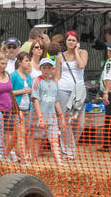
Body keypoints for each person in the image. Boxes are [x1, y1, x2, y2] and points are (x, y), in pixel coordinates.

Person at [56, 30, 88, 159]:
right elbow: (58, 75)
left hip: (78, 90)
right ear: (65, 41)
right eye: (69, 40)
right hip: (63, 89)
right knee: (65, 121)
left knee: (79, 122)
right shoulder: (60, 56)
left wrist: (76, 51)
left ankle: (71, 146)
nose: (71, 42)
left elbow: (81, 65)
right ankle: (68, 151)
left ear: (77, 42)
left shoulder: (82, 52)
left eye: (73, 40)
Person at [31, 57, 65, 166]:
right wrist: (40, 117)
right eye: (44, 68)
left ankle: (59, 162)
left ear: (52, 69)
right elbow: (35, 99)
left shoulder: (54, 83)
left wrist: (61, 116)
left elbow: (56, 101)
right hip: (39, 116)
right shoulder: (37, 81)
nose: (46, 70)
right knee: (37, 139)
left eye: (49, 68)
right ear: (40, 68)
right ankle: (33, 161)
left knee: (54, 139)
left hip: (52, 116)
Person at [9, 51, 33, 161]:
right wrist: (22, 91)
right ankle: (24, 159)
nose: (29, 63)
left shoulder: (28, 76)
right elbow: (8, 92)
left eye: (29, 61)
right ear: (19, 62)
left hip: (27, 108)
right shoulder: (13, 75)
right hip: (17, 109)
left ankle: (4, 154)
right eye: (26, 61)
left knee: (16, 135)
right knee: (21, 134)